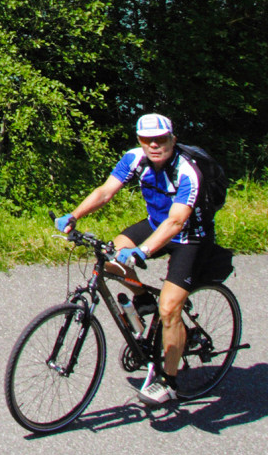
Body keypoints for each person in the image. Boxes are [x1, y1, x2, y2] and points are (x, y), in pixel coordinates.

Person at [55, 113, 218, 406]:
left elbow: (177, 222)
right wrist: (74, 215)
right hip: (156, 224)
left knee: (169, 309)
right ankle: (143, 298)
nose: (154, 145)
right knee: (110, 260)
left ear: (173, 140)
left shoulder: (188, 171)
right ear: (140, 141)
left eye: (160, 139)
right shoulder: (134, 159)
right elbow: (106, 191)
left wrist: (143, 251)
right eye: (147, 140)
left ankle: (168, 382)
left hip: (189, 237)